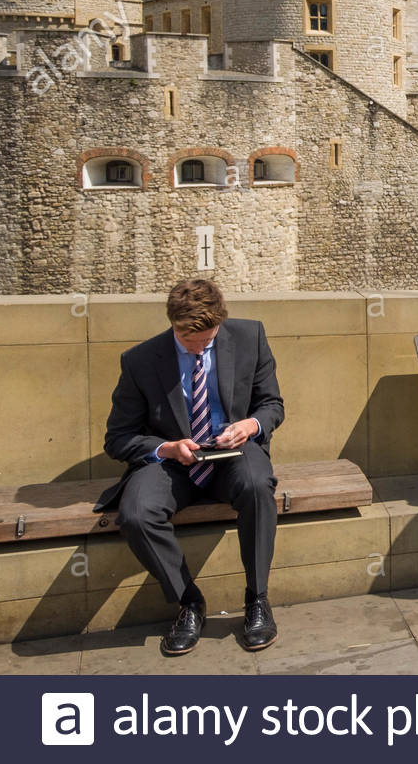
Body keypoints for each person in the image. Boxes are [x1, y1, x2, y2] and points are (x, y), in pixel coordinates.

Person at [94, 278, 286, 655]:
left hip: (232, 453)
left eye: (207, 338)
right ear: (172, 324)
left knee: (257, 485)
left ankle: (257, 600)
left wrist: (250, 425)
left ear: (221, 323)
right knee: (135, 514)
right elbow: (118, 438)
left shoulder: (251, 337)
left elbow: (272, 405)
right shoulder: (140, 360)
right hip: (171, 464)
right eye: (187, 339)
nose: (198, 346)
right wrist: (165, 448)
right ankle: (189, 603)